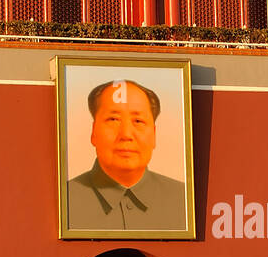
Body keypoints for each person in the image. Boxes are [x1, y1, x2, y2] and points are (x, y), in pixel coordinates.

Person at [67, 79, 187, 231]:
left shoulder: (183, 201)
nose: (126, 134)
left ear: (154, 135)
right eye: (114, 119)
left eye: (138, 121)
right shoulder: (66, 199)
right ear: (93, 132)